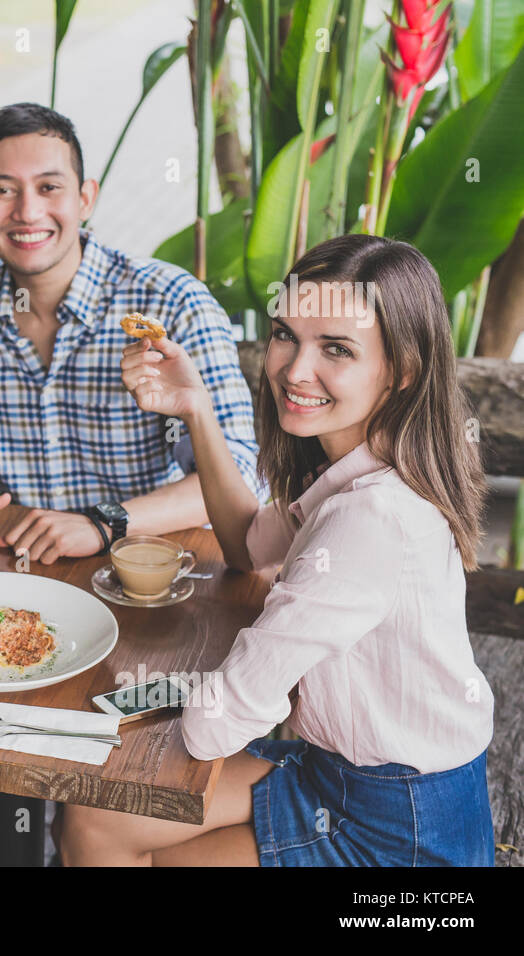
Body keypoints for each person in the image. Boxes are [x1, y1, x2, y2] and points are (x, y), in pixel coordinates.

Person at [0, 103, 259, 804]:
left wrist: (105, 521)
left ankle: (61, 781)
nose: (27, 209)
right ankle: (47, 771)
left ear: (85, 197)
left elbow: (243, 477)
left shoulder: (170, 302)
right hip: (21, 584)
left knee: (116, 783)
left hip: (155, 596)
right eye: (2, 190)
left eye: (49, 186)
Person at [58, 234, 495, 866]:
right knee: (94, 817)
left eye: (336, 349)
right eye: (287, 334)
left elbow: (222, 720)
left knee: (125, 819)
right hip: (335, 773)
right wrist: (195, 407)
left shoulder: (370, 518)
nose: (294, 369)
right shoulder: (362, 471)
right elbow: (245, 545)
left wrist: (106, 711)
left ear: (404, 369)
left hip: (404, 828)